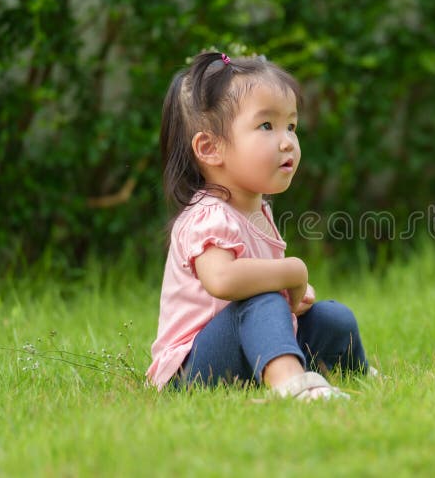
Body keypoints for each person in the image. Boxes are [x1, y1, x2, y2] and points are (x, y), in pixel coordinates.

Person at [146, 51, 368, 400]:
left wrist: (291, 295)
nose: (287, 141)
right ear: (210, 148)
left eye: (291, 126)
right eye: (267, 126)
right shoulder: (208, 214)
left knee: (331, 317)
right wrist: (290, 272)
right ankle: (293, 387)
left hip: (243, 351)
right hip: (193, 371)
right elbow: (222, 280)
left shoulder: (257, 209)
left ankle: (356, 373)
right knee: (260, 301)